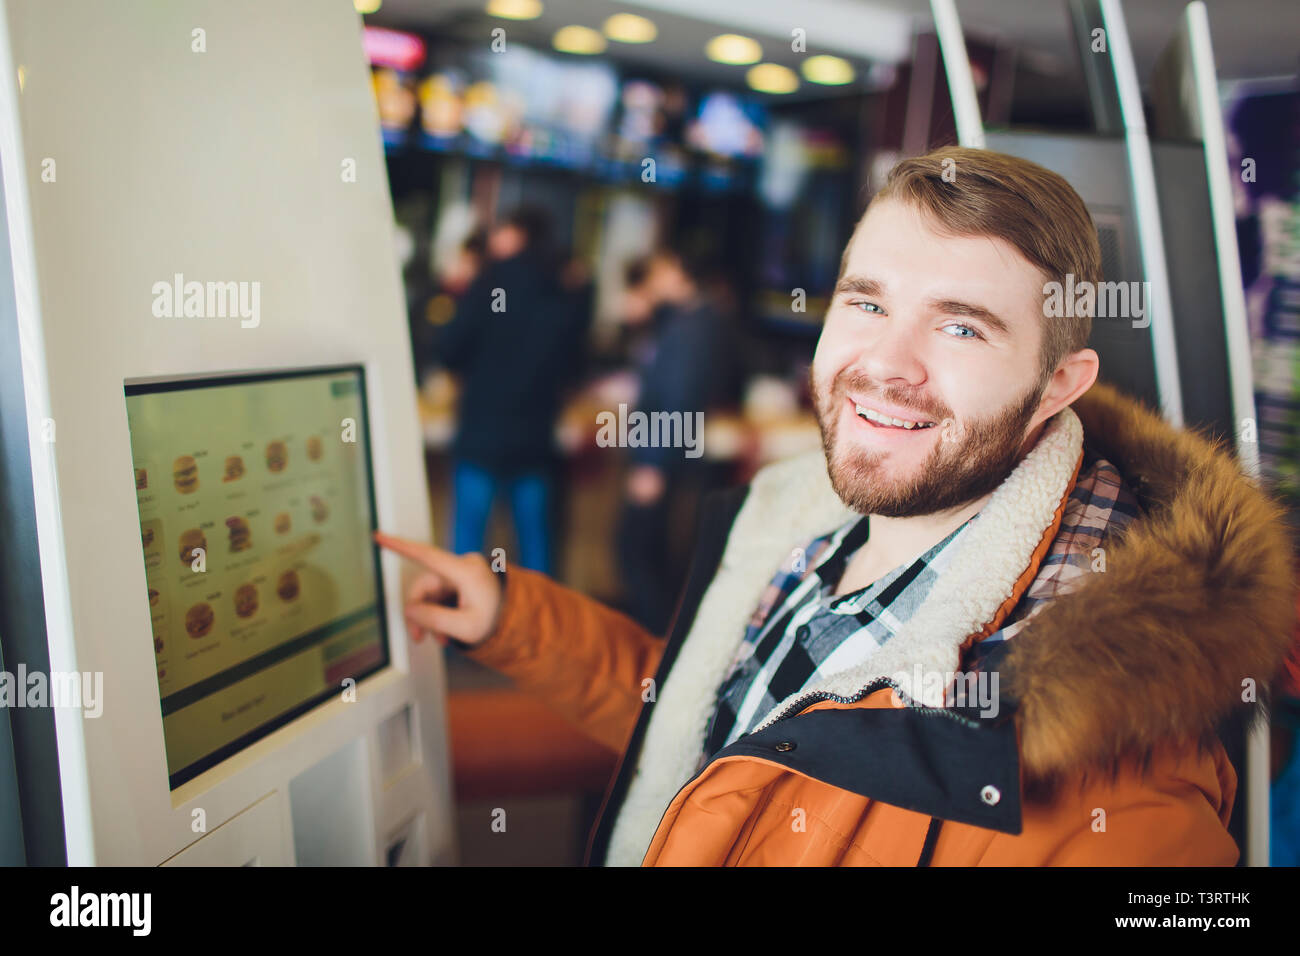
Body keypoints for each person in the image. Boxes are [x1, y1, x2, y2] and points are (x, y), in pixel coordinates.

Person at [378, 146, 1297, 866]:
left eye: (961, 324)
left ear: (1059, 385)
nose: (886, 364)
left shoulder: (1113, 760)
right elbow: (730, 741)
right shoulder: (807, 520)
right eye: (866, 303)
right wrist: (516, 621)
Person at [429, 204, 586, 575]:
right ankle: (541, 626)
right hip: (534, 438)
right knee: (535, 546)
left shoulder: (490, 282)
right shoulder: (563, 290)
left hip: (482, 433)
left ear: (517, 234)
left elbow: (448, 349)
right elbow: (574, 366)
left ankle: (461, 622)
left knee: (468, 544)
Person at [616, 249, 732, 634]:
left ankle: (656, 643)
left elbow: (679, 401)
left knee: (636, 549)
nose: (653, 278)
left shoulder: (692, 328)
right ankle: (659, 639)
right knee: (651, 549)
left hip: (664, 456)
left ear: (680, 274)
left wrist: (652, 464)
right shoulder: (687, 321)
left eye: (661, 270)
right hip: (669, 452)